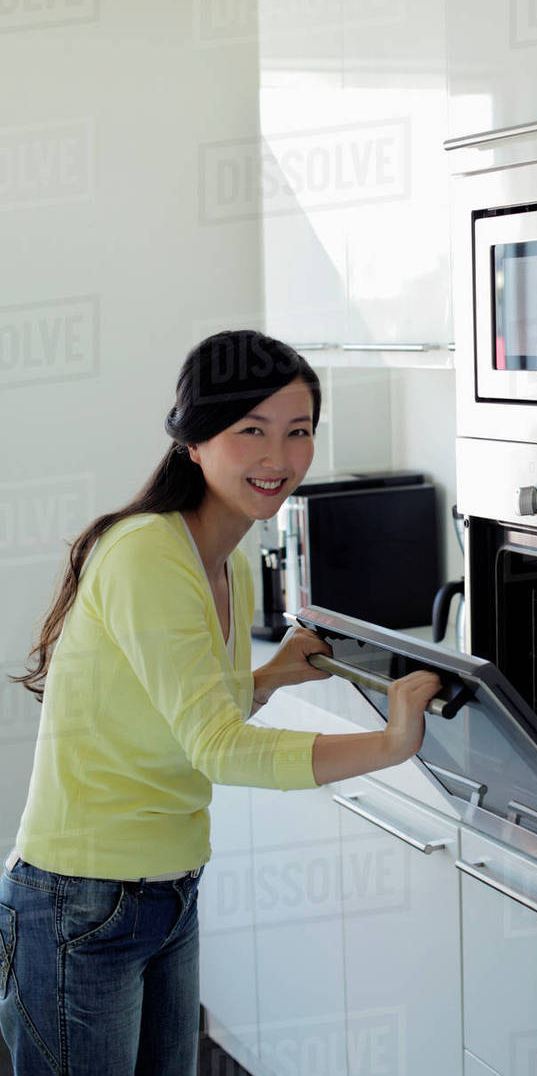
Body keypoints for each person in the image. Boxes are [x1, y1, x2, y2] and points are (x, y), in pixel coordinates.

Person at [0, 330, 441, 1076]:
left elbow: (178, 711)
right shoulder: (147, 553)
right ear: (194, 441)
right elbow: (218, 748)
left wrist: (268, 677)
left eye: (298, 432)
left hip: (166, 893)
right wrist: (388, 747)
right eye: (251, 432)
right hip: (80, 903)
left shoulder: (227, 563)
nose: (279, 458)